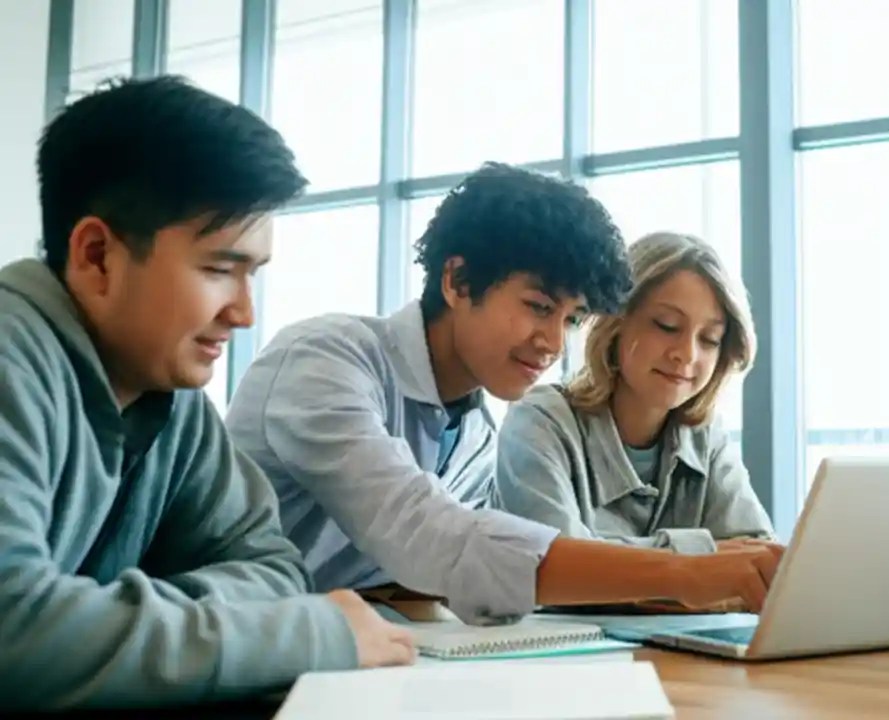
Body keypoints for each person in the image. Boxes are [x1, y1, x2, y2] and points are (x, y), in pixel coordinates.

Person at [0, 77, 412, 713]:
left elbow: (276, 570)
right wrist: (306, 634)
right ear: (96, 255)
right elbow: (14, 635)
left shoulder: (170, 395)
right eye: (220, 270)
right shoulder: (11, 358)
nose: (244, 313)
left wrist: (95, 626)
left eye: (254, 275)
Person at [225, 164, 782, 627]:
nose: (552, 344)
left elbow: (434, 581)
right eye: (539, 307)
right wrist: (688, 573)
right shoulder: (328, 359)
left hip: (348, 655)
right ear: (458, 282)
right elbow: (425, 536)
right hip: (235, 653)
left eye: (571, 320)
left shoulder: (472, 433)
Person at [494, 231, 774, 554]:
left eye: (709, 339)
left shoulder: (706, 438)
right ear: (616, 323)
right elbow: (560, 568)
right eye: (667, 326)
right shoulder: (539, 420)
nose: (687, 354)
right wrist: (707, 560)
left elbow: (759, 559)